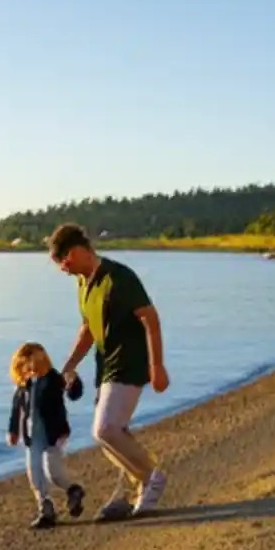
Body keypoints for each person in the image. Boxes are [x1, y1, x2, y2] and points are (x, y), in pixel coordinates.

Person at [50, 223, 170, 521]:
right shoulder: (83, 284)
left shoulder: (120, 278)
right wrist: (67, 367)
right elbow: (88, 330)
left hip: (130, 364)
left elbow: (150, 319)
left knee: (106, 429)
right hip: (106, 367)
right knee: (105, 433)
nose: (62, 269)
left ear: (77, 251)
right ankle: (139, 484)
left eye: (63, 261)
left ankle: (152, 477)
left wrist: (157, 366)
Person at [6, 341, 86, 529]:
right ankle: (45, 508)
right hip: (32, 437)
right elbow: (16, 408)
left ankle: (73, 490)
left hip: (53, 434)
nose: (30, 366)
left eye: (33, 359)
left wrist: (74, 382)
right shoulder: (24, 385)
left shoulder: (53, 379)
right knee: (34, 473)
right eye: (26, 362)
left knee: (53, 471)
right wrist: (13, 430)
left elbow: (73, 393)